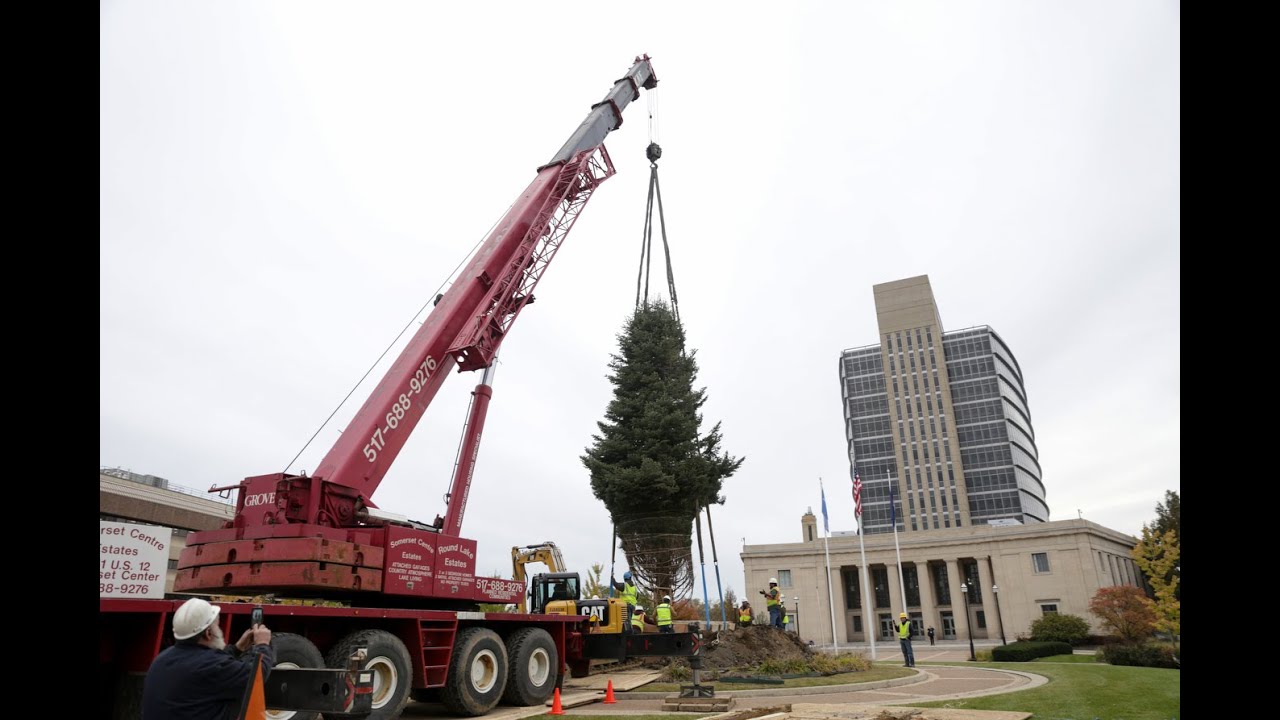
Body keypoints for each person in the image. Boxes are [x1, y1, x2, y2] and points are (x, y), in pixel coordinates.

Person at [142, 597, 275, 720]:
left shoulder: (162, 658)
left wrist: (237, 649)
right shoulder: (211, 665)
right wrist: (262, 645)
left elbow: (208, 665)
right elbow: (256, 676)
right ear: (208, 633)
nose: (219, 629)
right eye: (217, 626)